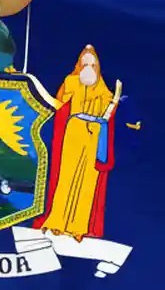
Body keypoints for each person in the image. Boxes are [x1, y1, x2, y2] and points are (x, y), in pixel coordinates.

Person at [36, 45, 120, 240]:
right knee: (66, 178)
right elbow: (59, 103)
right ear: (79, 64)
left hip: (93, 136)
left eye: (92, 64)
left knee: (87, 183)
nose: (88, 67)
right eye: (85, 63)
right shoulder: (71, 81)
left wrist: (113, 104)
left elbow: (109, 111)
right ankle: (57, 222)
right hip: (73, 132)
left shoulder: (103, 89)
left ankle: (78, 228)